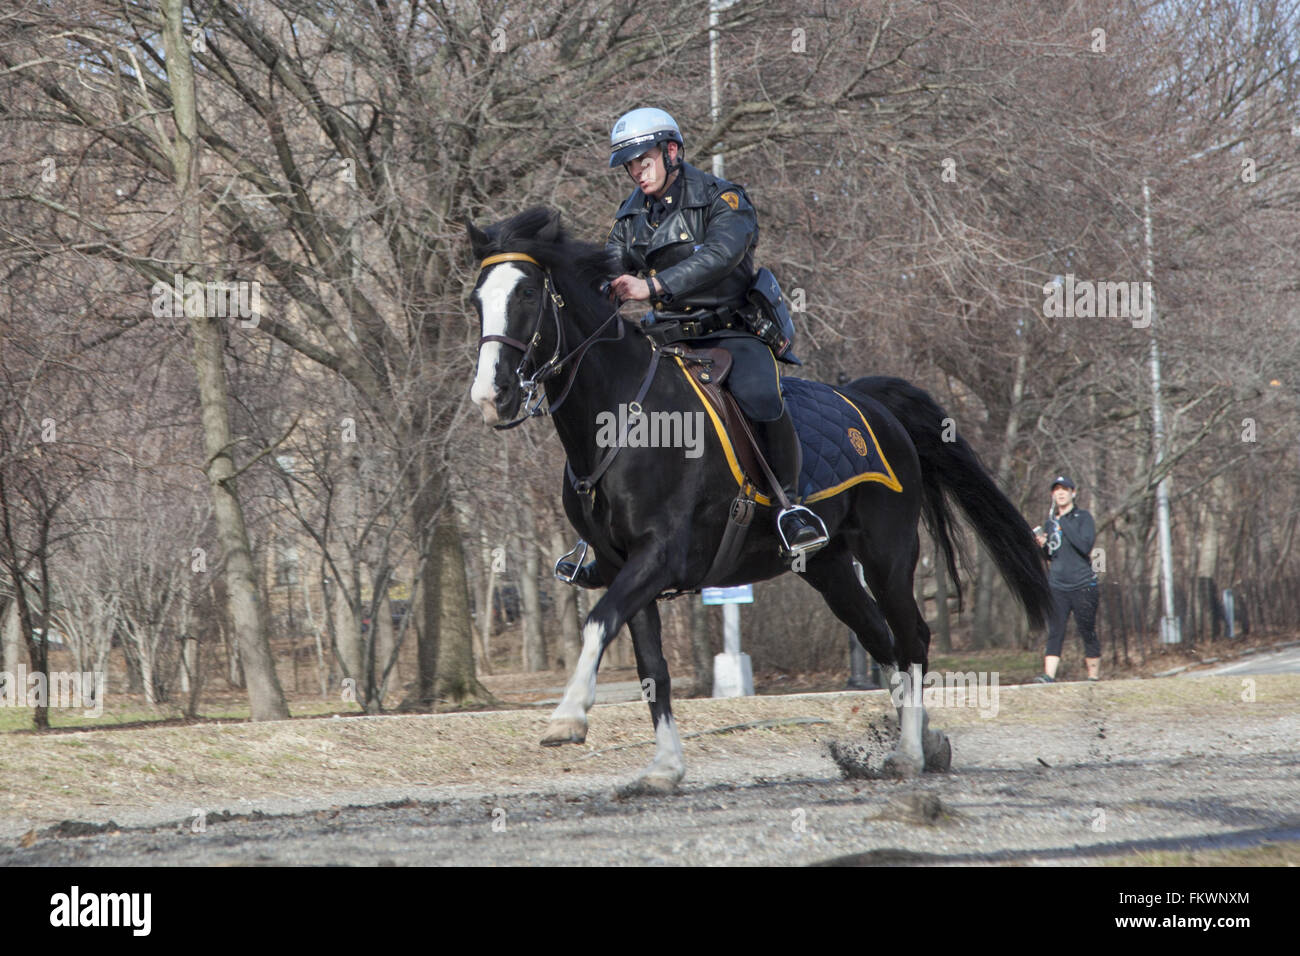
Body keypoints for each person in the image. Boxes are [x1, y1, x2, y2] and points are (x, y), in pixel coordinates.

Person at [556, 107, 827, 588]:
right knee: (606, 407)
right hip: (668, 340)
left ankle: (792, 508)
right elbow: (610, 268)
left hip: (731, 332)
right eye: (630, 166)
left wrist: (651, 286)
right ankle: (599, 536)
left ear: (672, 151)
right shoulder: (629, 217)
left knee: (762, 396)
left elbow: (721, 257)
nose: (636, 172)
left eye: (643, 161)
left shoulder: (723, 199)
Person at [1032, 475, 1101, 682]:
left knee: (1087, 630)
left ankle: (1093, 678)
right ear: (1053, 495)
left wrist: (1064, 522)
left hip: (1083, 585)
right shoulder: (1050, 523)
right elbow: (1052, 555)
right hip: (1057, 585)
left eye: (1065, 489)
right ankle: (1048, 676)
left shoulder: (1083, 518)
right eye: (1056, 490)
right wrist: (1042, 545)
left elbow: (1084, 546)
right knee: (1055, 630)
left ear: (1073, 493)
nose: (1060, 493)